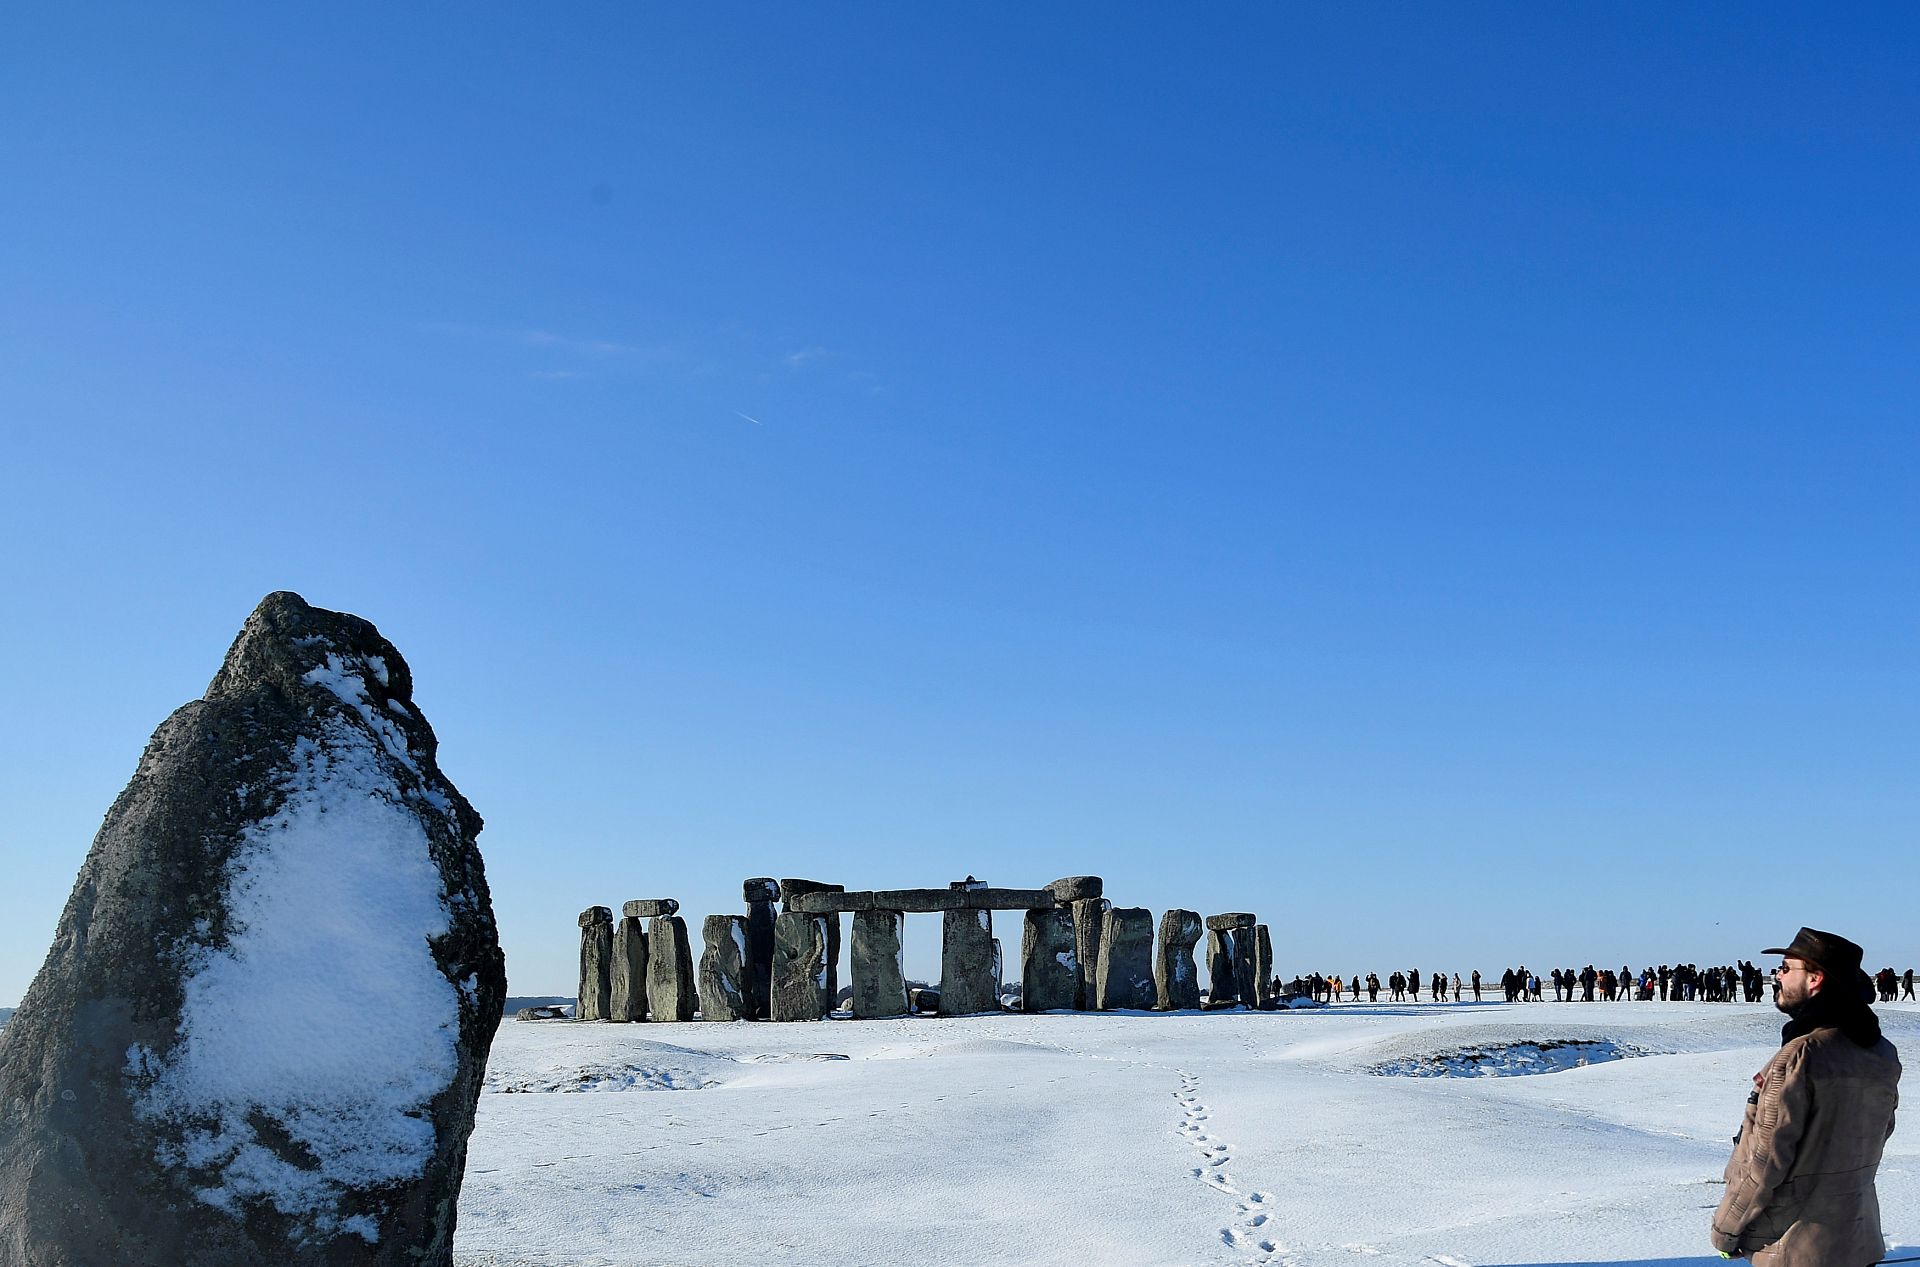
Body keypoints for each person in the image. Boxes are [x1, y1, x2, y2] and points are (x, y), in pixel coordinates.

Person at [1710, 927, 1901, 1265]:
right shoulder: (1881, 1052)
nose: (1777, 976)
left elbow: (1765, 1161)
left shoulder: (1801, 1056)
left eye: (1786, 968)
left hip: (1794, 1246)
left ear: (1815, 979)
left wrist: (1726, 1231)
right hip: (1858, 1239)